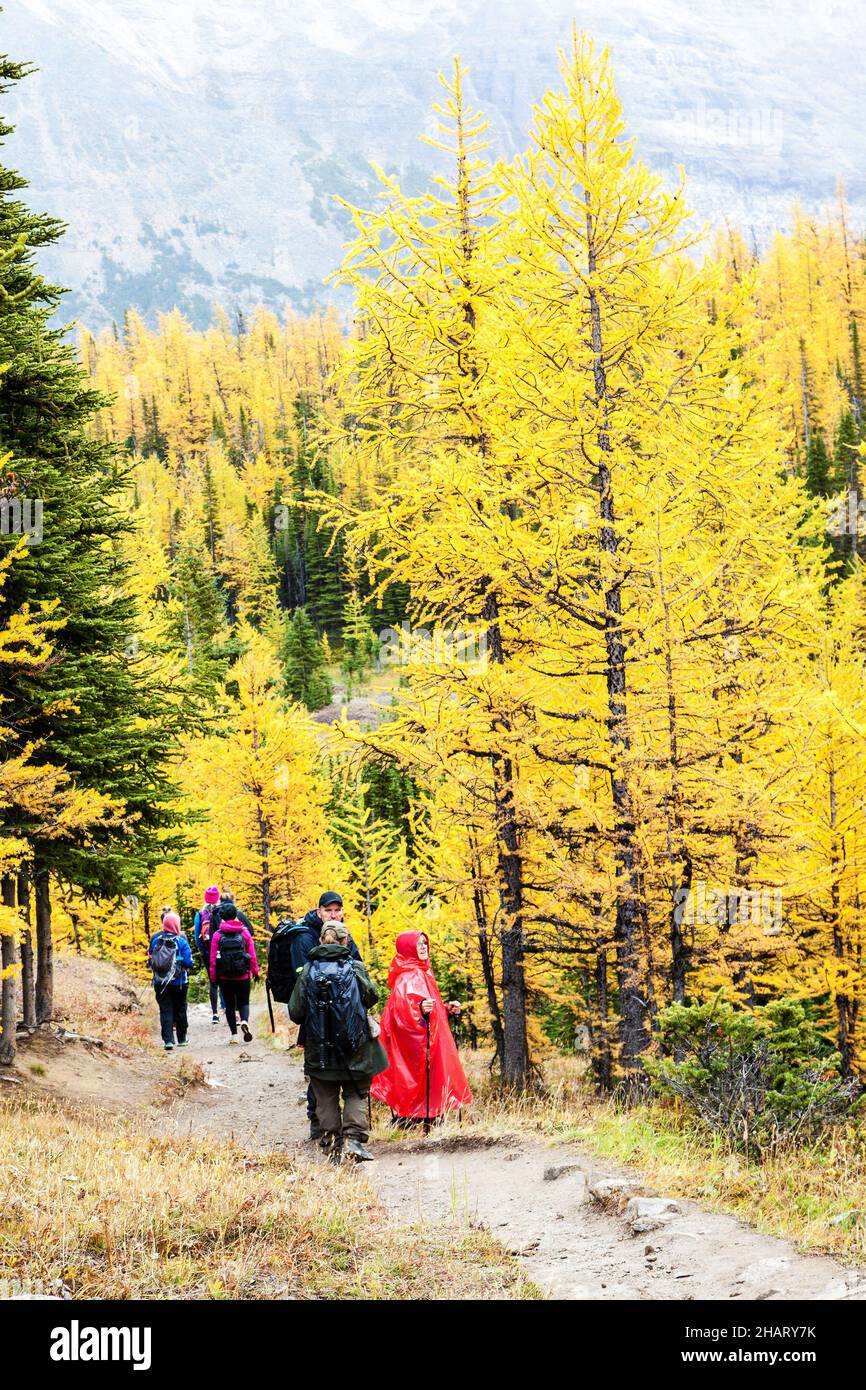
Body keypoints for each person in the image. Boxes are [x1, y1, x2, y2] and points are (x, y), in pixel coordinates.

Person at [288, 922, 387, 1163]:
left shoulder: (308, 970)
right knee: (355, 1092)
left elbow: (295, 1012)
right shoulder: (355, 967)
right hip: (355, 1047)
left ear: (321, 941)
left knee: (326, 1098)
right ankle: (353, 1140)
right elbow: (372, 996)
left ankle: (332, 1145)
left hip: (319, 1050)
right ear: (346, 942)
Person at [279, 890, 362, 1139]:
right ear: (319, 912)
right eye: (328, 910)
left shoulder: (345, 935)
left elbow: (358, 967)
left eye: (337, 910)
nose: (333, 914)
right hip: (316, 1016)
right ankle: (318, 1122)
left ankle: (341, 1128)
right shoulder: (304, 938)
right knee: (319, 1067)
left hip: (344, 1014)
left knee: (343, 1065)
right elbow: (301, 979)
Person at [371, 930, 472, 1125]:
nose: (424, 946)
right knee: (417, 1077)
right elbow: (402, 1014)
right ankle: (414, 1118)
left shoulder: (423, 972)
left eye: (425, 942)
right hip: (415, 1043)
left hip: (428, 1039)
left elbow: (426, 1008)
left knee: (428, 1077)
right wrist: (420, 1010)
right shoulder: (408, 977)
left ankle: (426, 1117)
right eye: (418, 944)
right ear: (408, 948)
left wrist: (445, 1009)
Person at [209, 900, 258, 1045]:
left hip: (225, 976)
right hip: (243, 974)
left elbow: (213, 959)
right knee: (244, 1002)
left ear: (222, 917)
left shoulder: (218, 935)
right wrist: (255, 971)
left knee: (229, 1005)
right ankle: (244, 1020)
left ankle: (234, 1036)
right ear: (236, 915)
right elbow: (252, 954)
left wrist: (213, 977)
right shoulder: (244, 932)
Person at [147, 910, 194, 1052]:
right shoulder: (181, 941)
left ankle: (168, 1040)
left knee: (165, 1010)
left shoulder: (156, 940)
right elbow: (188, 962)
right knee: (180, 1008)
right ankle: (182, 1038)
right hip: (179, 982)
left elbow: (151, 960)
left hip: (160, 982)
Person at [194, 885, 223, 1024]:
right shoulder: (222, 911)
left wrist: (203, 951)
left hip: (207, 952)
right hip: (223, 951)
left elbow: (196, 936)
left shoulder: (200, 913)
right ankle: (228, 1009)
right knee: (226, 979)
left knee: (213, 982)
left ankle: (215, 1014)